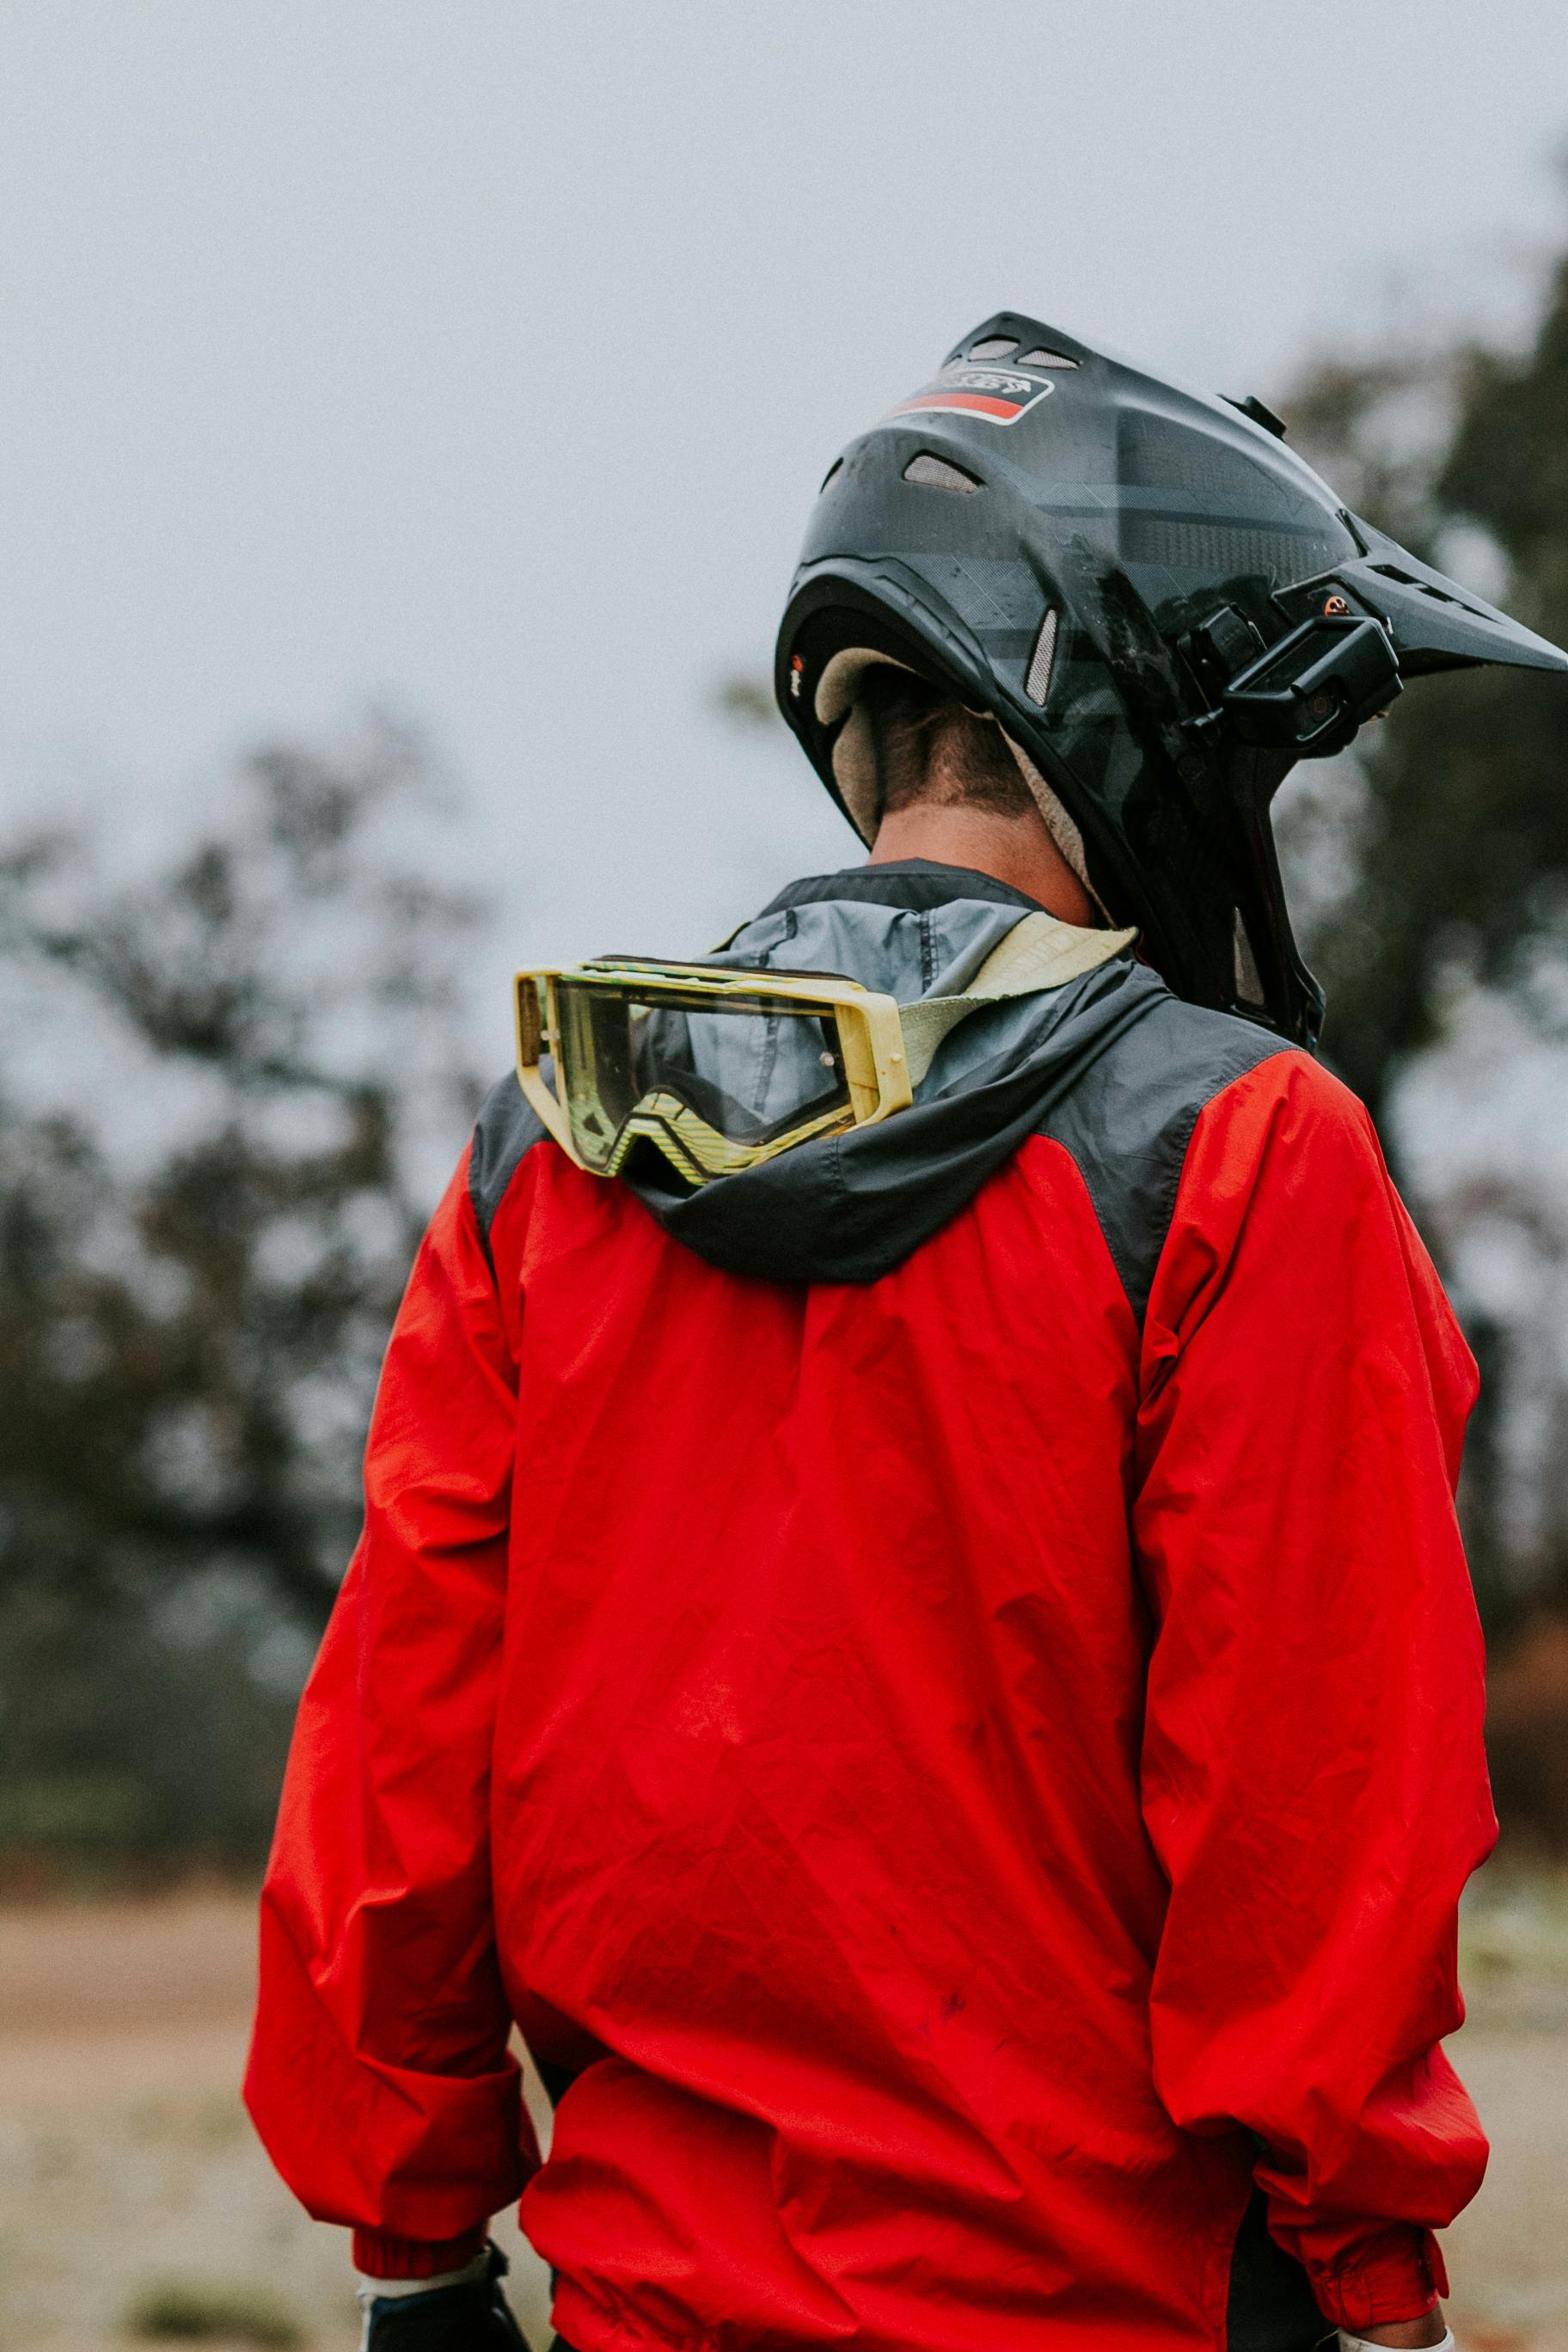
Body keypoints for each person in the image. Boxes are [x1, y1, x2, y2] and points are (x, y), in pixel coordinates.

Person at [245, 315, 1568, 2352]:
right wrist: (1370, 2280)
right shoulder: (1233, 1153)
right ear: (1156, 722)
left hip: (640, 2310)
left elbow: (395, 1768)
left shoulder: (560, 1149)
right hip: (1095, 2308)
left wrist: (417, 2246)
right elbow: (1317, 1822)